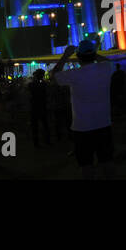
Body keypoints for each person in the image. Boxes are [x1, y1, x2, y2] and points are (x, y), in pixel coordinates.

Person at [50, 41, 115, 179]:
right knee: (107, 162)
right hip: (104, 124)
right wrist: (92, 52)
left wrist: (66, 55)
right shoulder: (105, 69)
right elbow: (109, 61)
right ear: (93, 55)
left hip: (82, 128)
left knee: (86, 165)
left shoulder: (74, 74)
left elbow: (54, 76)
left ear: (78, 57)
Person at [27, 69, 51, 148]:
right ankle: (47, 141)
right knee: (45, 125)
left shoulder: (31, 85)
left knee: (35, 126)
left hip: (34, 107)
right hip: (42, 107)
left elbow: (28, 95)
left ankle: (36, 143)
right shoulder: (45, 84)